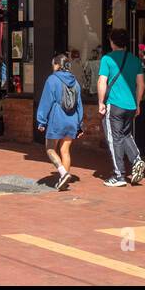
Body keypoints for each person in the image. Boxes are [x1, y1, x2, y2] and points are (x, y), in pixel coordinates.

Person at [98, 28, 145, 187]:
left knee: (114, 139)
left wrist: (100, 103)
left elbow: (102, 81)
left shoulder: (107, 59)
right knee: (125, 134)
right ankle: (136, 160)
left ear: (112, 42)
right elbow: (141, 84)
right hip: (130, 105)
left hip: (115, 105)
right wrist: (138, 103)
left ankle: (118, 176)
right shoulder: (135, 60)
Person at [37, 53, 84, 191]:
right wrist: (79, 124)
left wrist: (41, 121)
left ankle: (63, 174)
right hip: (72, 119)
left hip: (57, 119)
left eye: (53, 64)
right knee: (65, 150)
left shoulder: (52, 80)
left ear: (57, 65)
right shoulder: (75, 82)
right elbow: (79, 104)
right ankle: (64, 181)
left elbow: (46, 101)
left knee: (50, 148)